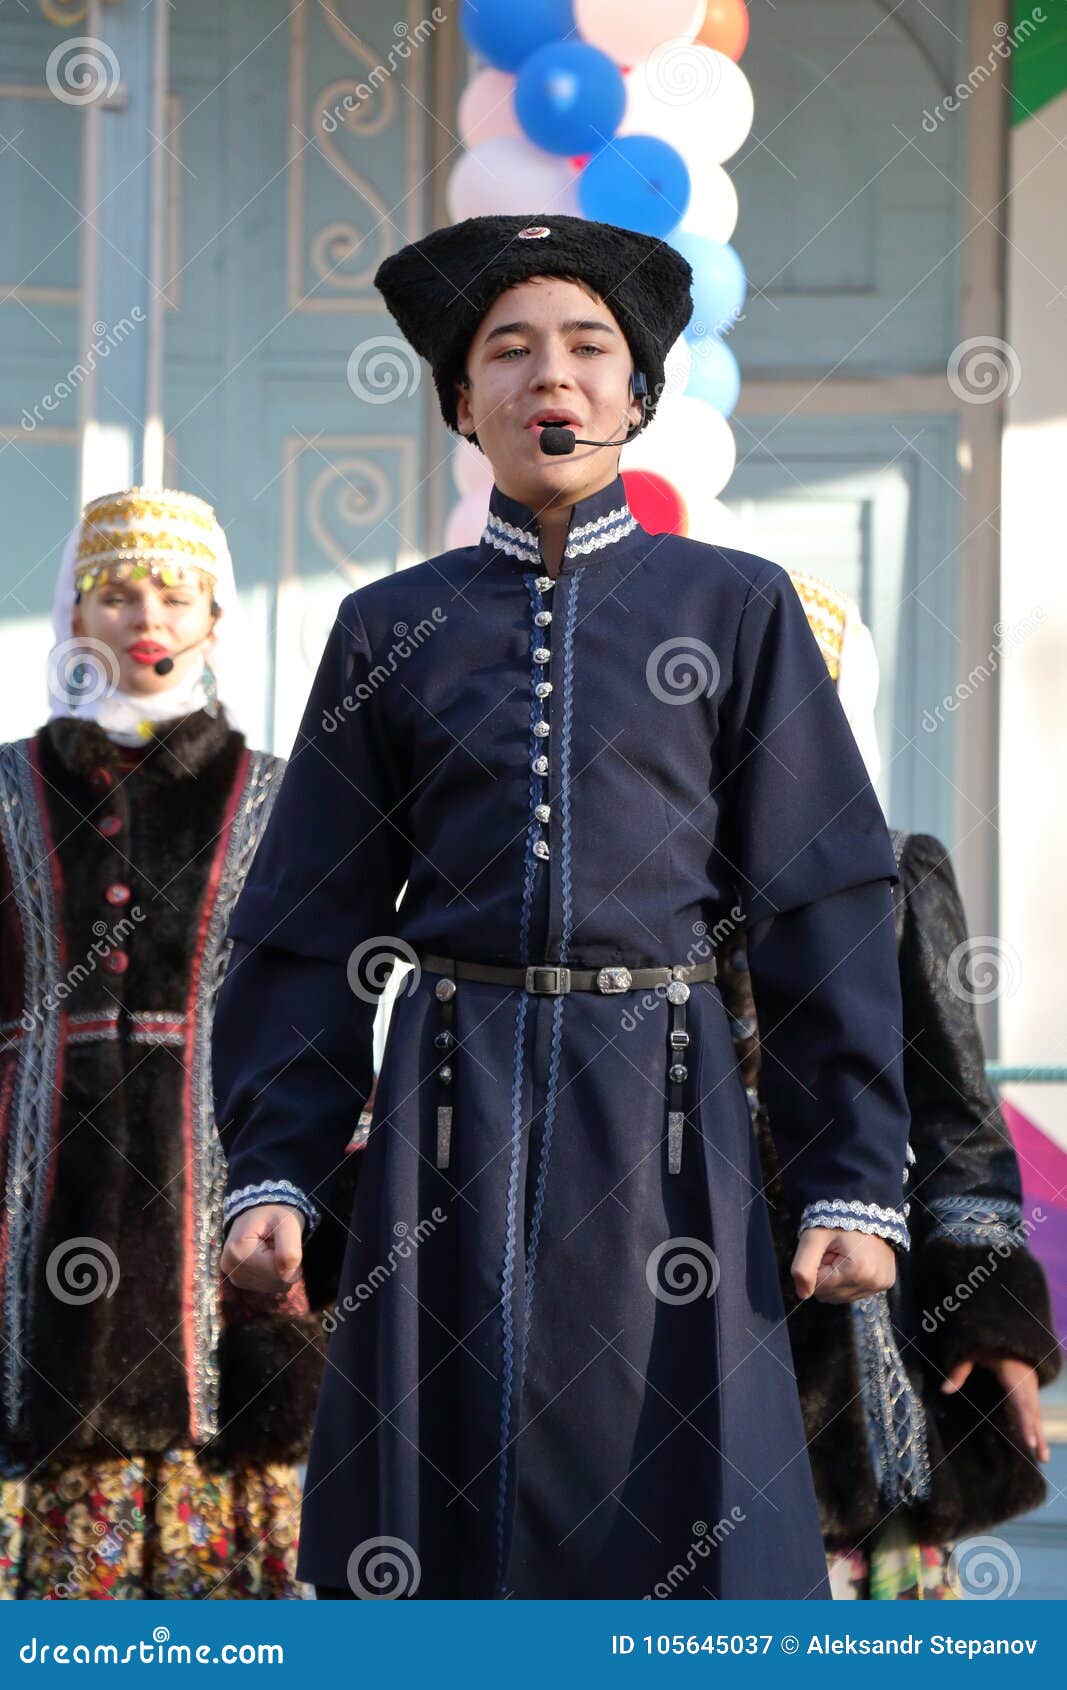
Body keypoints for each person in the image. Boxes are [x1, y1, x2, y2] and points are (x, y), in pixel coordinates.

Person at [213, 213, 912, 1601]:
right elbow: (308, 912)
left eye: (589, 348)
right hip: (444, 1112)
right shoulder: (386, 626)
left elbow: (820, 897)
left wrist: (850, 1169)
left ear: (638, 392)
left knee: (678, 1481)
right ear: (458, 402)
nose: (554, 377)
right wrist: (277, 1161)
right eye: (510, 350)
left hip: (667, 1105)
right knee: (437, 1490)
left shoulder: (737, 608)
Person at [0, 487, 343, 1599]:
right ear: (73, 616)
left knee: (233, 1518)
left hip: (219, 1189)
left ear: (212, 618)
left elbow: (316, 1010)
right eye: (115, 592)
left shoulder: (277, 797)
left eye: (175, 592)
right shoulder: (7, 791)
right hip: (38, 1190)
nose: (146, 614)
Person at [717, 569, 1061, 1600]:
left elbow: (957, 1116)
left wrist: (990, 1319)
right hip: (683, 1323)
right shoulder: (649, 890)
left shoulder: (900, 872)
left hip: (866, 1365)